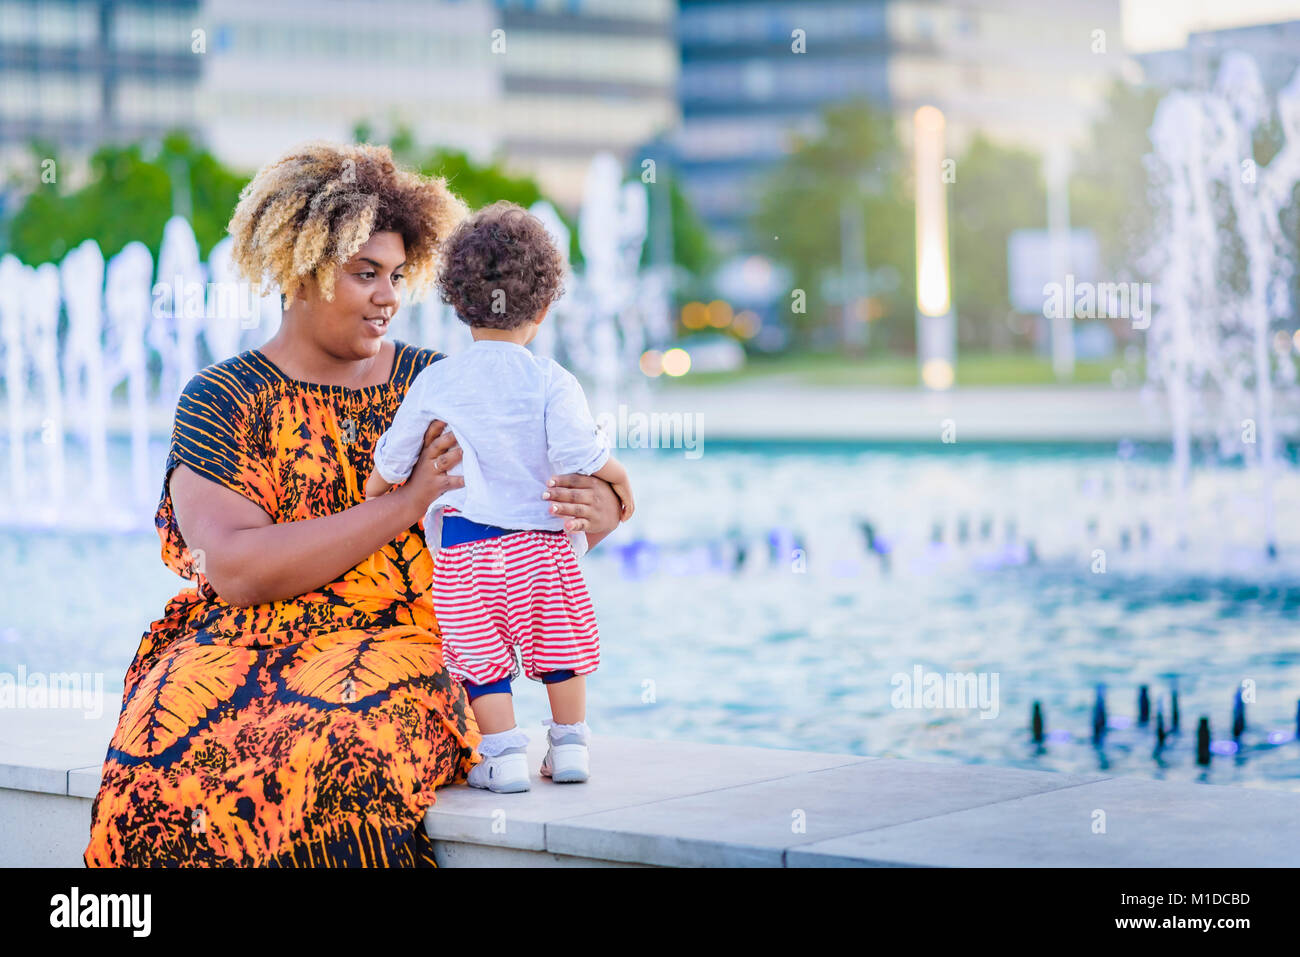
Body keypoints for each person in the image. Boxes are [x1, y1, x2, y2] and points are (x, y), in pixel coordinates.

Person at [83, 142, 623, 866]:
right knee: (160, 745)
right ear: (299, 268)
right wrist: (407, 503)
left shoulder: (442, 382)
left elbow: (565, 489)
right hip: (240, 638)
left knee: (343, 748)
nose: (388, 297)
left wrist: (602, 502)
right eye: (364, 273)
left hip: (410, 636)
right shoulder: (220, 400)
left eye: (398, 276)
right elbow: (237, 568)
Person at [365, 202, 634, 793]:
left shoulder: (437, 380)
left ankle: (504, 757)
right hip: (542, 547)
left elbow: (396, 452)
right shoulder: (550, 379)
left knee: (480, 659)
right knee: (559, 645)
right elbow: (578, 455)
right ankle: (569, 747)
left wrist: (377, 487)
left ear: (459, 304)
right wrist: (618, 477)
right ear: (541, 308)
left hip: (468, 549)